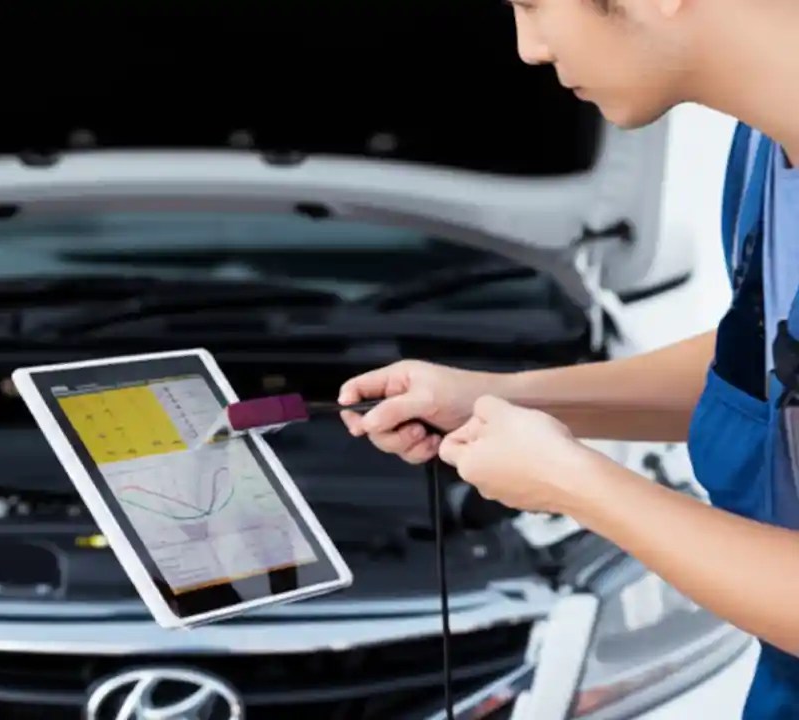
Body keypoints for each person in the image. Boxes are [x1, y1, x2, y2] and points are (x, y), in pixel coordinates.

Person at [336, 0, 799, 716]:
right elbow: (765, 367)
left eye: (532, 5)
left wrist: (574, 482)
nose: (528, 48)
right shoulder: (768, 152)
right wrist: (505, 398)